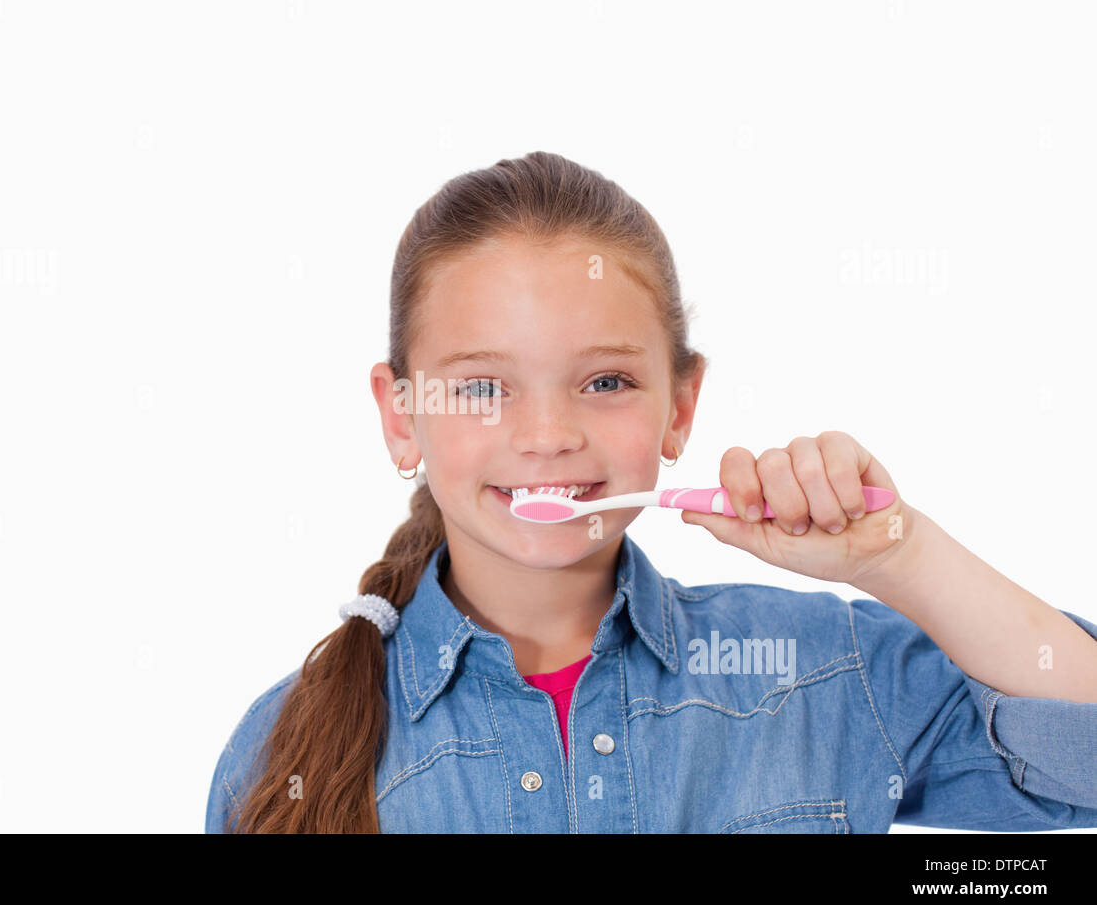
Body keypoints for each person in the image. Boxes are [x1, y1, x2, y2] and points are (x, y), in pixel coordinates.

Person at [206, 151, 1097, 833]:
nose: (546, 434)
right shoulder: (282, 748)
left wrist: (900, 554)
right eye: (482, 387)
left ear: (681, 407)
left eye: (604, 383)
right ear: (403, 416)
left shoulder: (820, 676)